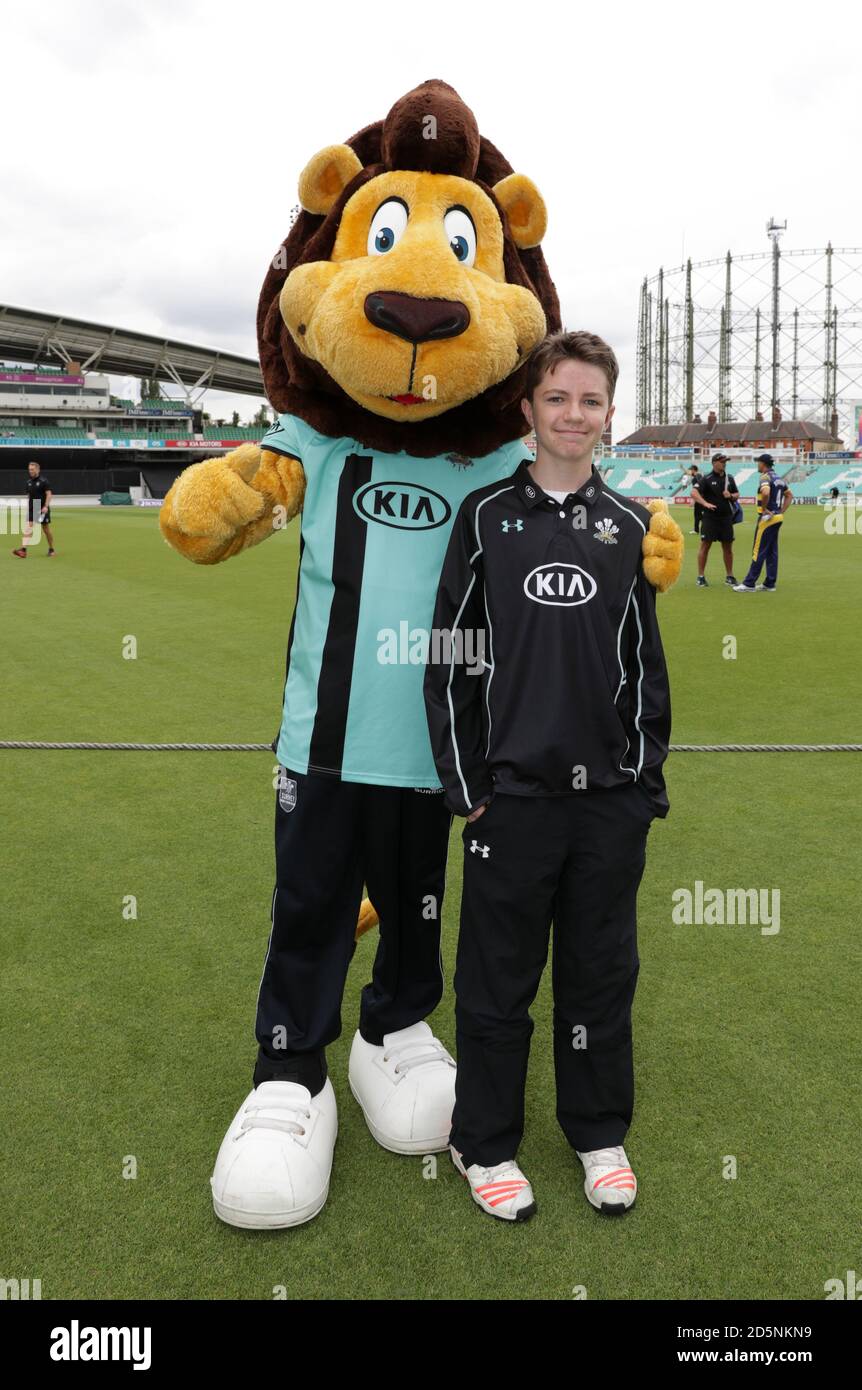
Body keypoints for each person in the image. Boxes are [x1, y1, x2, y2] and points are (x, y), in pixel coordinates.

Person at [424, 330, 671, 1222]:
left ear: (611, 415)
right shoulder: (485, 518)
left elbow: (645, 667)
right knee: (498, 981)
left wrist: (643, 786)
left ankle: (598, 1132)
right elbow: (449, 660)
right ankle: (483, 1142)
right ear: (529, 409)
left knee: (602, 974)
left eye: (591, 400)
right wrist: (470, 789)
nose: (573, 415)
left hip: (607, 804)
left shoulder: (634, 527)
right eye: (557, 398)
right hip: (513, 802)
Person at [733, 454, 792, 592]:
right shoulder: (779, 478)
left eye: (758, 462)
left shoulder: (765, 477)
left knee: (758, 550)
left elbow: (765, 492)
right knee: (772, 551)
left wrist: (765, 509)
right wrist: (780, 511)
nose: (757, 465)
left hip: (767, 519)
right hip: (777, 517)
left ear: (763, 464)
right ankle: (769, 583)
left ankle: (749, 583)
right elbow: (789, 495)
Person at [692, 453, 738, 587]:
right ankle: (701, 576)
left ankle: (730, 576)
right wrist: (705, 503)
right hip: (710, 518)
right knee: (705, 546)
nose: (724, 464)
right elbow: (693, 493)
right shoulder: (706, 478)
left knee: (728, 547)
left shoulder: (730, 478)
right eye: (722, 461)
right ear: (714, 463)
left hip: (726, 518)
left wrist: (730, 495)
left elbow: (737, 494)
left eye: (725, 461)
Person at [12, 461, 56, 559]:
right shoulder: (28, 482)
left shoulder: (44, 481)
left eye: (32, 469)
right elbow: (29, 496)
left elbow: (49, 494)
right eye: (29, 469)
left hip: (41, 508)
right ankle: (23, 550)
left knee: (46, 529)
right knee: (28, 528)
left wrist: (45, 506)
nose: (30, 471)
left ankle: (51, 549)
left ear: (37, 469)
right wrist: (28, 507)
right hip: (33, 507)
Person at [688, 464, 704, 535]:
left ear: (694, 470)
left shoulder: (697, 477)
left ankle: (697, 529)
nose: (690, 471)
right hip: (701, 498)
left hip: (699, 498)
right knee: (698, 515)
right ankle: (697, 529)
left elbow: (698, 488)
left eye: (691, 470)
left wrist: (694, 500)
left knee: (698, 514)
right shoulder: (698, 476)